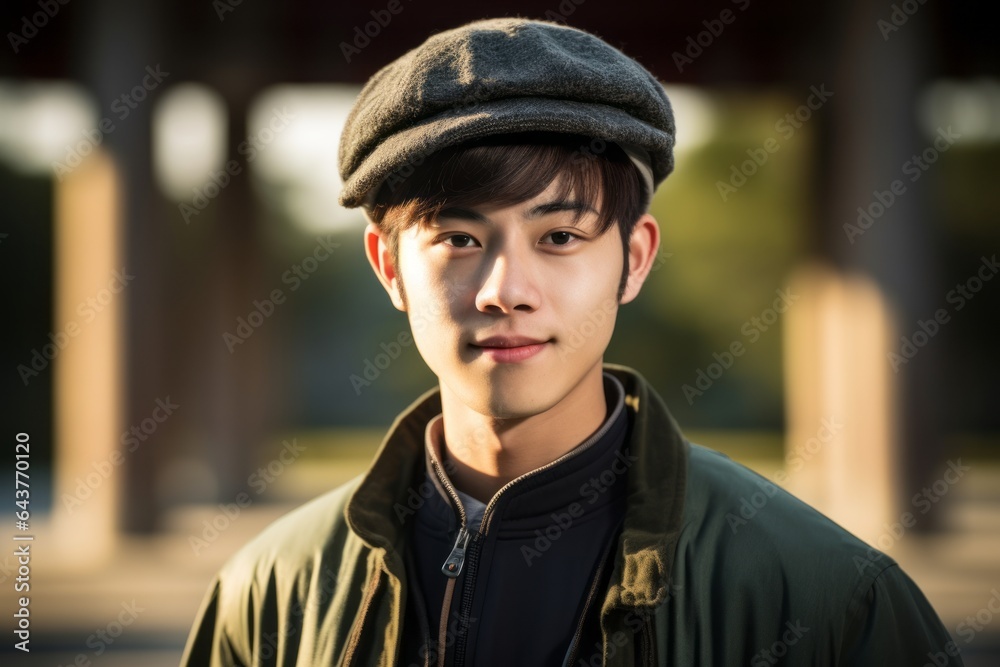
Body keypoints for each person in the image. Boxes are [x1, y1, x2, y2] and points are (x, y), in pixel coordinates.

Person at [181, 17, 963, 667]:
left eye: (559, 235)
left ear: (635, 257)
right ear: (389, 266)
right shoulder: (272, 592)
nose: (505, 289)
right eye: (458, 237)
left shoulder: (823, 595)